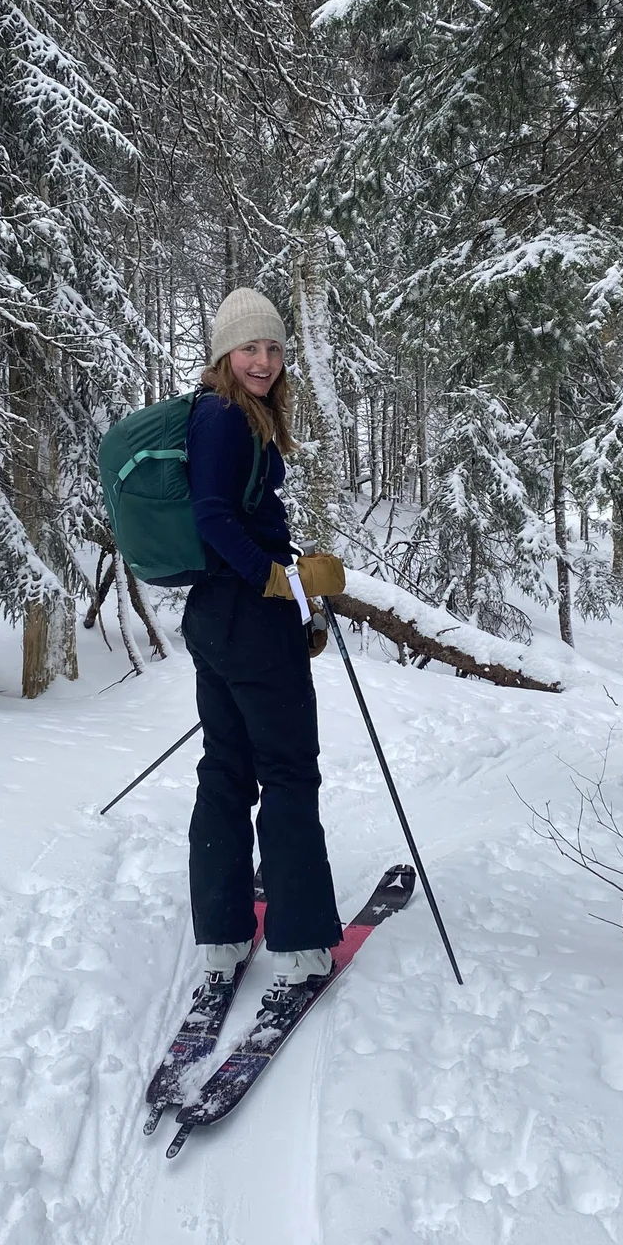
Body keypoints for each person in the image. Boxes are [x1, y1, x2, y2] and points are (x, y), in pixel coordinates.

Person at [182, 286, 346, 1007]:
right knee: (285, 773)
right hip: (247, 615)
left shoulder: (227, 415)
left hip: (218, 618)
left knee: (226, 769)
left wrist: (288, 586)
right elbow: (213, 517)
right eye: (250, 347)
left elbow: (237, 517)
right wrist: (278, 580)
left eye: (275, 348)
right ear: (225, 352)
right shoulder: (222, 416)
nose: (265, 360)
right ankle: (303, 946)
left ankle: (222, 935)